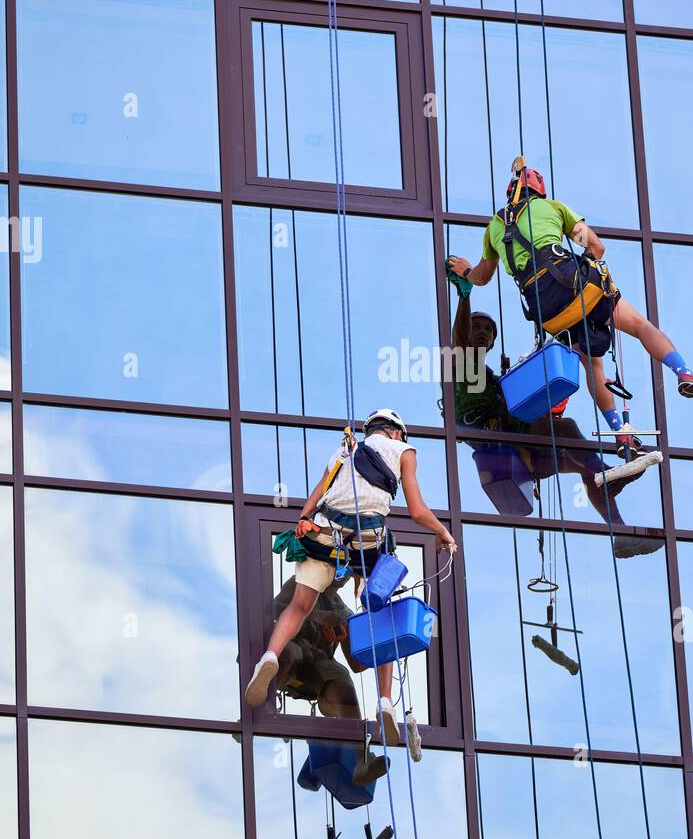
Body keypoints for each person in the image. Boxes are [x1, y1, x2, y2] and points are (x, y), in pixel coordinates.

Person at [447, 156, 693, 463]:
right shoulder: (552, 208)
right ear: (539, 190)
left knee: (593, 366)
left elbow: (483, 276)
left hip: (549, 313)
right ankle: (685, 373)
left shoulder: (495, 228)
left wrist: (466, 271)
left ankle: (620, 432)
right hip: (577, 289)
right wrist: (584, 262)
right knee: (639, 325)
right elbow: (596, 247)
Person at [245, 409, 456, 749]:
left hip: (325, 534)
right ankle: (385, 701)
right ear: (397, 434)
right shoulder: (404, 452)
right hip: (368, 539)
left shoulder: (344, 451)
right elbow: (416, 510)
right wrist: (443, 532)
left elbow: (313, 500)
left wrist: (303, 519)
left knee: (300, 604)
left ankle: (269, 656)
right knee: (379, 618)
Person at [449, 293, 662, 559]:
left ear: (493, 343)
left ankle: (619, 531)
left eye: (488, 330)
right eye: (476, 327)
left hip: (521, 454)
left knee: (586, 468)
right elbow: (458, 341)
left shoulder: (494, 380)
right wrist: (465, 294)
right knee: (567, 429)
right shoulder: (459, 366)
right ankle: (606, 475)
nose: (481, 332)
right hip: (503, 444)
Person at [271, 576, 390, 786]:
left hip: (316, 664)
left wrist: (362, 630)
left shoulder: (340, 609)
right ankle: (258, 712)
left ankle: (360, 762)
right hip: (291, 652)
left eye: (346, 574)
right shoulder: (301, 583)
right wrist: (316, 616)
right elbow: (274, 610)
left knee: (342, 682)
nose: (342, 577)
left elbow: (357, 665)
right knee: (290, 652)